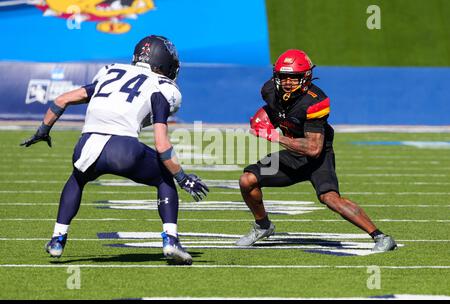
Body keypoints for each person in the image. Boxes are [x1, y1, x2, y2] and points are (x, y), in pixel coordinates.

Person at [20, 35, 209, 265]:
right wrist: (181, 177)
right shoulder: (161, 88)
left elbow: (63, 99)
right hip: (123, 149)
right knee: (164, 176)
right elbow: (162, 144)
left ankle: (57, 239)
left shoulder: (111, 72)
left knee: (78, 179)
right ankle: (171, 240)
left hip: (86, 146)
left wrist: (43, 130)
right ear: (165, 63)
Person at [236, 49, 397, 252]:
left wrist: (273, 135)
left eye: (293, 78)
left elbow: (313, 148)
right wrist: (263, 118)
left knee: (330, 198)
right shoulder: (270, 89)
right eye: (283, 77)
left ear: (305, 78)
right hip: (292, 155)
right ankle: (263, 226)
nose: (287, 82)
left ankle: (381, 237)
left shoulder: (315, 101)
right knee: (247, 180)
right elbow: (273, 109)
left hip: (317, 158)